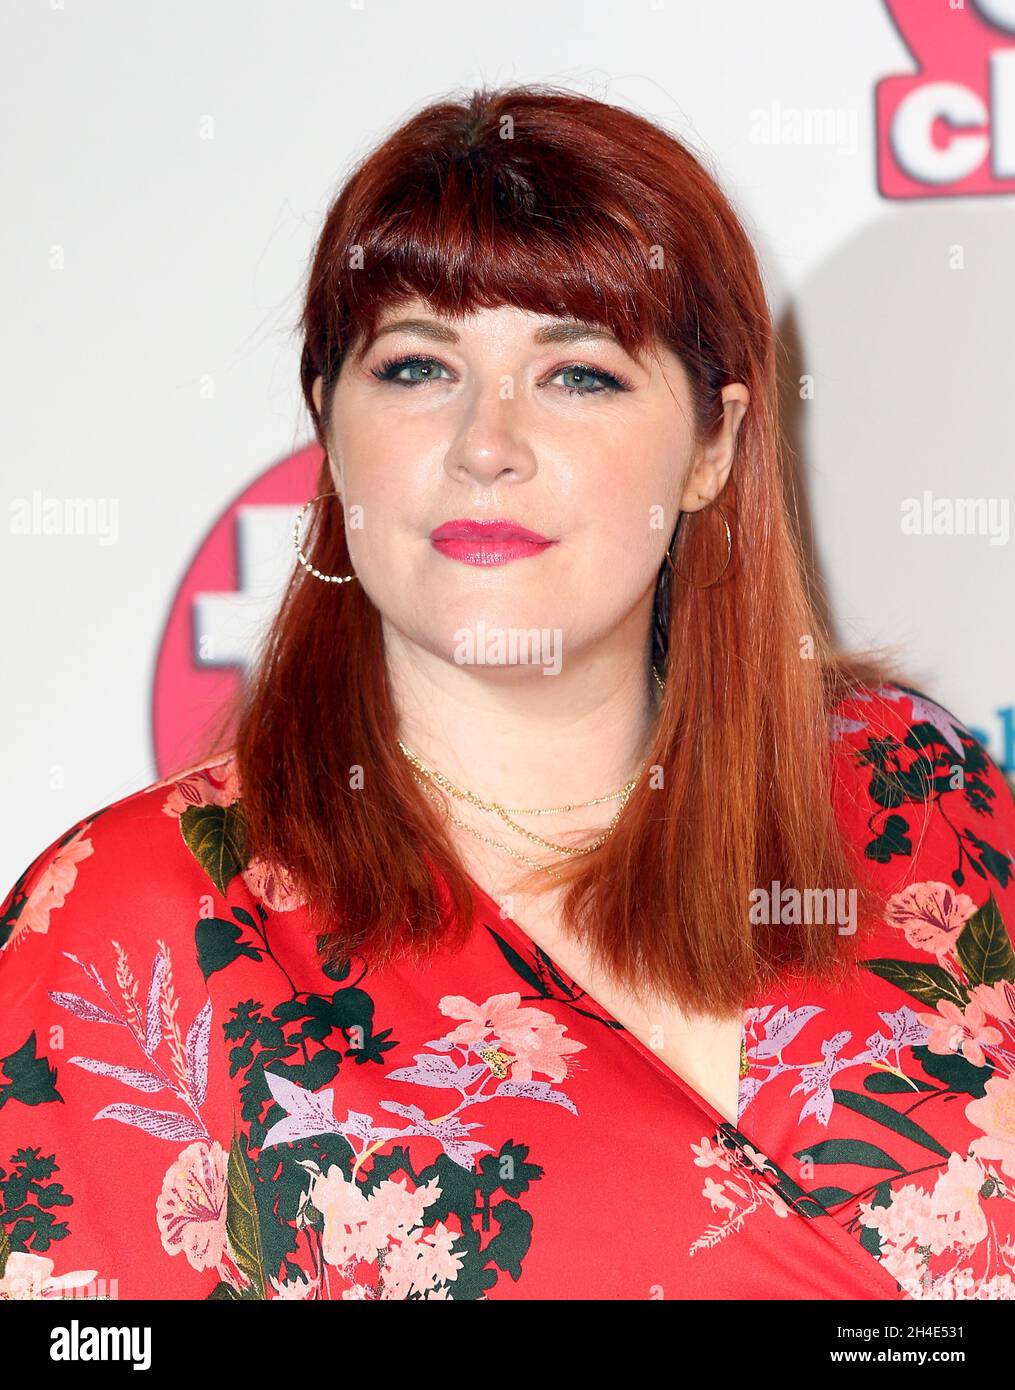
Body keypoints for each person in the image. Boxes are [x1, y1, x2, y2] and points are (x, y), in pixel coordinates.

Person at [2, 84, 1014, 1302]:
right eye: (419, 366)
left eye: (577, 374)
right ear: (328, 425)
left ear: (713, 446)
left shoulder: (917, 800)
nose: (487, 443)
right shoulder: (135, 923)